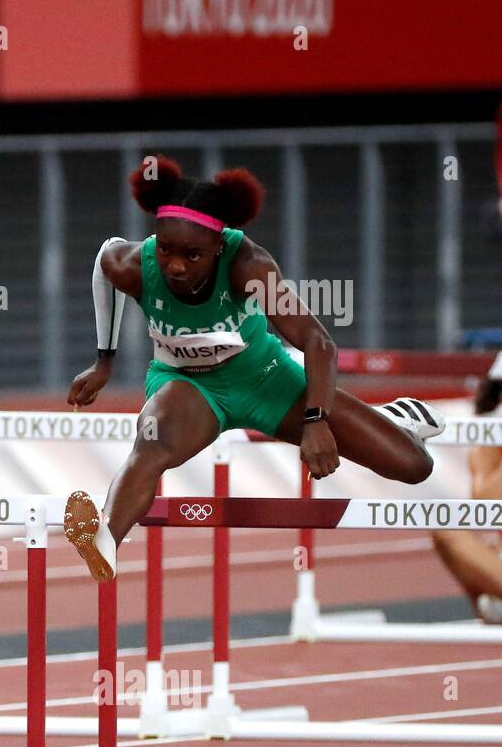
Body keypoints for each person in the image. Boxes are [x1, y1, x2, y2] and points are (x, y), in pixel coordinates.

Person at [63, 156, 443, 581]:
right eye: (166, 249)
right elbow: (103, 262)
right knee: (152, 443)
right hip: (188, 387)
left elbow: (318, 342)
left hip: (266, 381)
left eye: (192, 255)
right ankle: (106, 540)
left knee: (413, 466)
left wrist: (316, 421)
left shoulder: (250, 267)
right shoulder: (132, 264)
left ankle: (394, 418)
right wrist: (103, 361)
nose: (174, 266)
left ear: (220, 246)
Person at [432, 362, 502, 622]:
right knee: (446, 531)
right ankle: (491, 611)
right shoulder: (485, 449)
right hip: (499, 568)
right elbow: (485, 507)